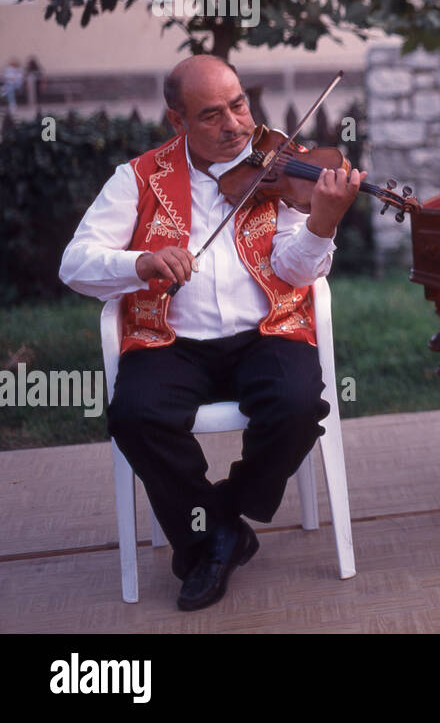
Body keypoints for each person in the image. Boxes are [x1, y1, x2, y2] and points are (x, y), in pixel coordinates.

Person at [60, 54, 363, 610]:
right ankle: (215, 539)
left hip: (266, 331)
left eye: (240, 104)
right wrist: (140, 263)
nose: (235, 126)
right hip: (171, 340)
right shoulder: (137, 177)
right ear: (177, 121)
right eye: (211, 115)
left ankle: (218, 520)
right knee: (134, 414)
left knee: (298, 405)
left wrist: (322, 222)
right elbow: (74, 264)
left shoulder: (283, 169)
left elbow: (297, 270)